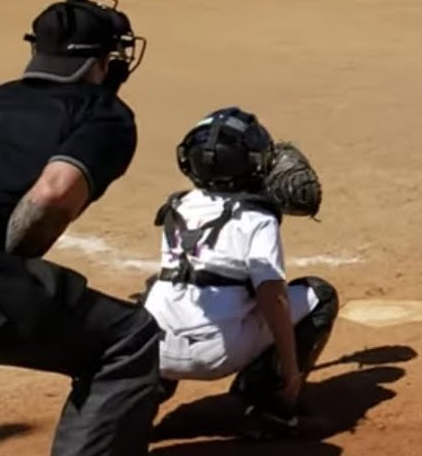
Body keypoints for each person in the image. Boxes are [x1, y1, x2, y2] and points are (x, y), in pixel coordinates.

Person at [0, 0, 160, 456]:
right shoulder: (103, 113)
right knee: (128, 339)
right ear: (106, 63)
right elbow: (54, 193)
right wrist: (13, 266)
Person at [142, 107, 336, 438]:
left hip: (153, 353)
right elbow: (273, 299)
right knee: (319, 295)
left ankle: (139, 403)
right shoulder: (258, 219)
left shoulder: (176, 206)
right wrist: (292, 372)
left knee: (158, 290)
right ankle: (268, 406)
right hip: (219, 354)